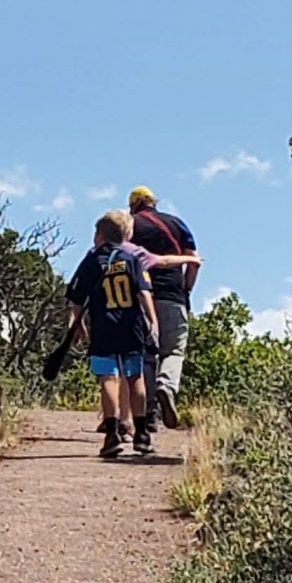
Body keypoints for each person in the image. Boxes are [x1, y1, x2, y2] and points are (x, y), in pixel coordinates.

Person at [64, 210, 161, 460]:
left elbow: (76, 298)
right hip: (132, 326)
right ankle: (141, 433)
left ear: (99, 235)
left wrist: (76, 323)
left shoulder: (92, 261)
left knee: (108, 377)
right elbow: (144, 292)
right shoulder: (131, 260)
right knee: (135, 377)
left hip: (103, 326)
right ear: (127, 235)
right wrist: (153, 321)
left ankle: (112, 434)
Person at [127, 185, 199, 430]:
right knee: (174, 351)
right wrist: (186, 289)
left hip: (140, 297)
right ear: (153, 202)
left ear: (134, 205)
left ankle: (148, 414)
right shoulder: (177, 224)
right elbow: (194, 261)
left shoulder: (130, 224)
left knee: (146, 355)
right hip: (173, 295)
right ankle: (166, 386)